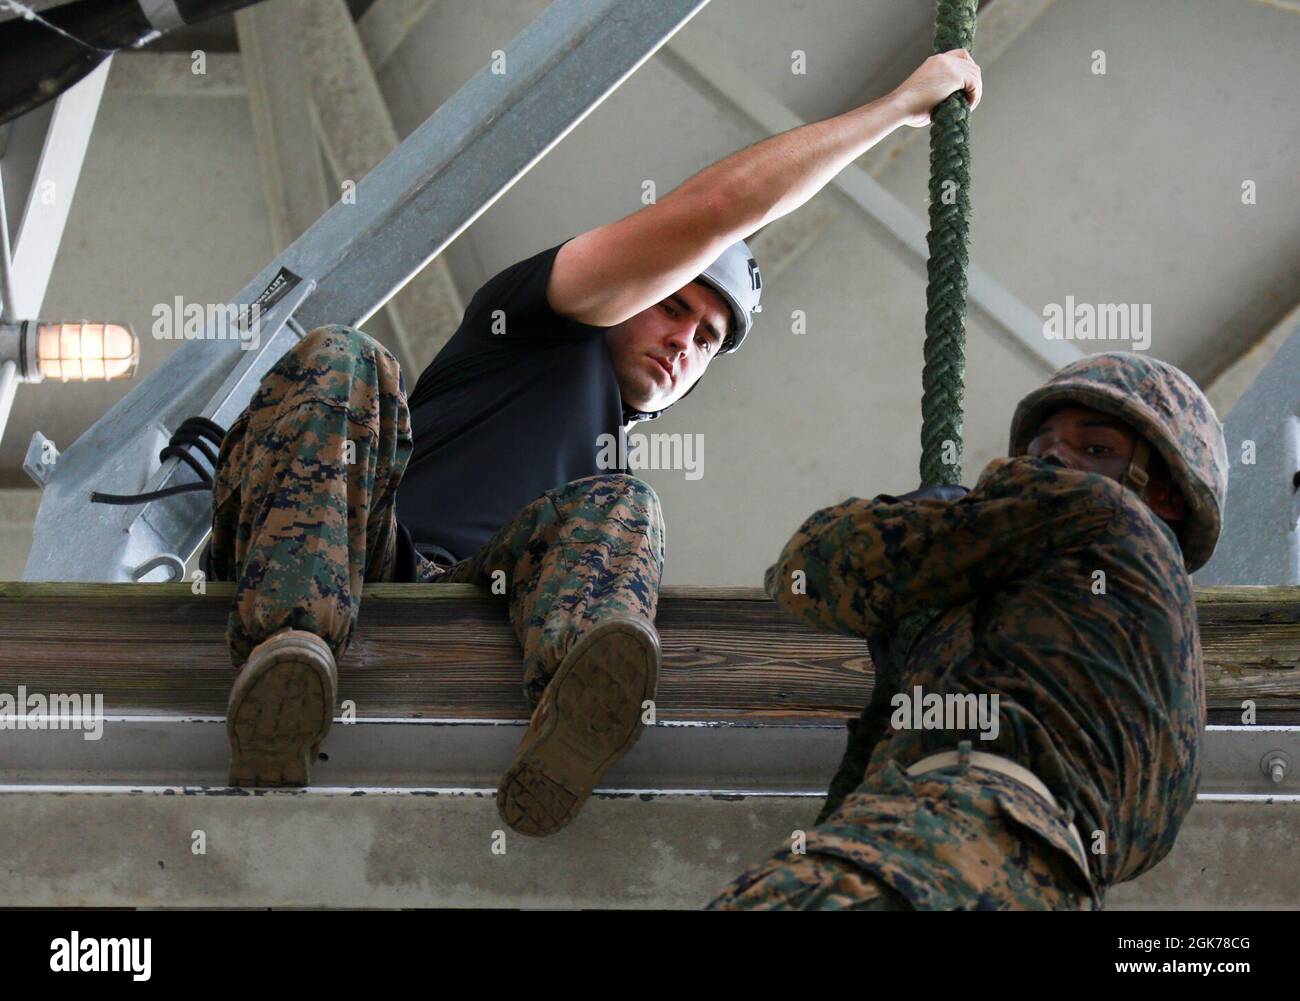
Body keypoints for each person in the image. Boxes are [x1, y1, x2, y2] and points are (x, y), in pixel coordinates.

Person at [202, 49, 985, 837]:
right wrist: (897, 108)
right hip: (351, 560)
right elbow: (716, 208)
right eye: (672, 307)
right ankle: (287, 656)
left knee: (626, 507)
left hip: (483, 594)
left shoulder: (597, 492)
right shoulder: (540, 319)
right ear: (636, 293)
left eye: (708, 338)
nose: (684, 340)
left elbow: (595, 518)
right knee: (346, 357)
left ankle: (570, 722)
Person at [709, 353, 1229, 909]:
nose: (1051, 455)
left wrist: (934, 516)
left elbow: (806, 573)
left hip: (946, 842)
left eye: (1095, 448)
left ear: (1169, 493)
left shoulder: (1097, 508)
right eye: (1038, 447)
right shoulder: (1168, 696)